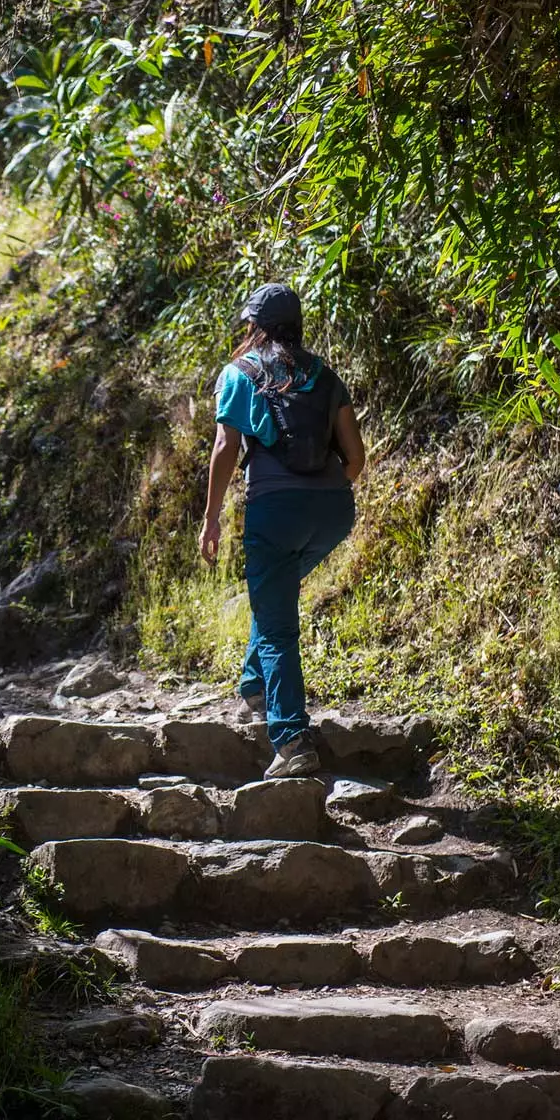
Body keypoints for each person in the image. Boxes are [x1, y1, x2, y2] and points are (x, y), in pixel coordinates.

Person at [197, 283, 366, 778]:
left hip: (274, 510)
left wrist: (211, 518)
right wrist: (323, 492)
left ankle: (292, 740)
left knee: (276, 625)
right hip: (335, 509)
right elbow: (355, 458)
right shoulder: (325, 376)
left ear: (255, 326)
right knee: (275, 593)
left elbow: (226, 447)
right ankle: (254, 685)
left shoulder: (238, 374)